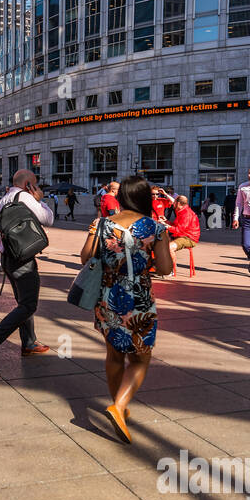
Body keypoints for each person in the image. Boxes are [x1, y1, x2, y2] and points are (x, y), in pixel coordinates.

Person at [80, 176, 173, 442]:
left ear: (121, 199)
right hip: (139, 297)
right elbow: (165, 268)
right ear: (145, 198)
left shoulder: (101, 224)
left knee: (114, 354)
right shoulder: (155, 228)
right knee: (141, 357)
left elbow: (85, 257)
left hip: (107, 295)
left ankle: (117, 406)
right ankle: (118, 407)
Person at [0, 169, 55, 363]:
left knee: (23, 302)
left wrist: (5, 249)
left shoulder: (2, 202)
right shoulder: (26, 198)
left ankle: (29, 343)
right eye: (35, 184)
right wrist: (39, 200)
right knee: (29, 305)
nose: (37, 188)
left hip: (8, 260)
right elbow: (48, 219)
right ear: (29, 185)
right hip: (24, 259)